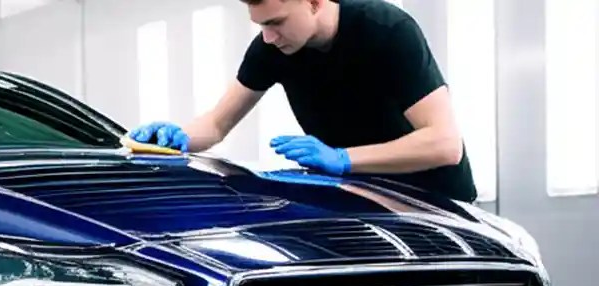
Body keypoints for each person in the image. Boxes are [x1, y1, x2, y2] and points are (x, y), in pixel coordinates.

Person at [129, 0, 477, 202]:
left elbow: (444, 145)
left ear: (314, 2)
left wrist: (342, 159)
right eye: (260, 24)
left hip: (436, 203)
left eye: (276, 22)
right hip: (363, 199)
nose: (268, 36)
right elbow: (217, 124)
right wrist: (178, 138)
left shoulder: (387, 30)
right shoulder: (271, 48)